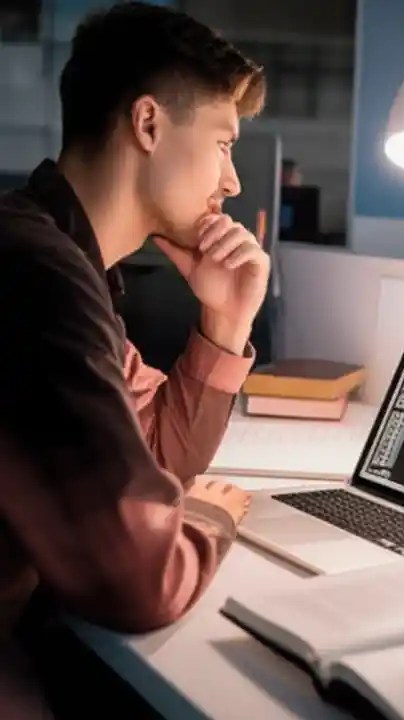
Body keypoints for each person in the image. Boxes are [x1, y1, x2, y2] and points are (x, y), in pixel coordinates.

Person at [0, 2, 269, 714]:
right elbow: (139, 583)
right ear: (148, 124)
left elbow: (153, 459)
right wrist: (208, 519)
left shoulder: (54, 256)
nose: (233, 182)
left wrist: (226, 322)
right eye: (222, 143)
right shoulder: (39, 278)